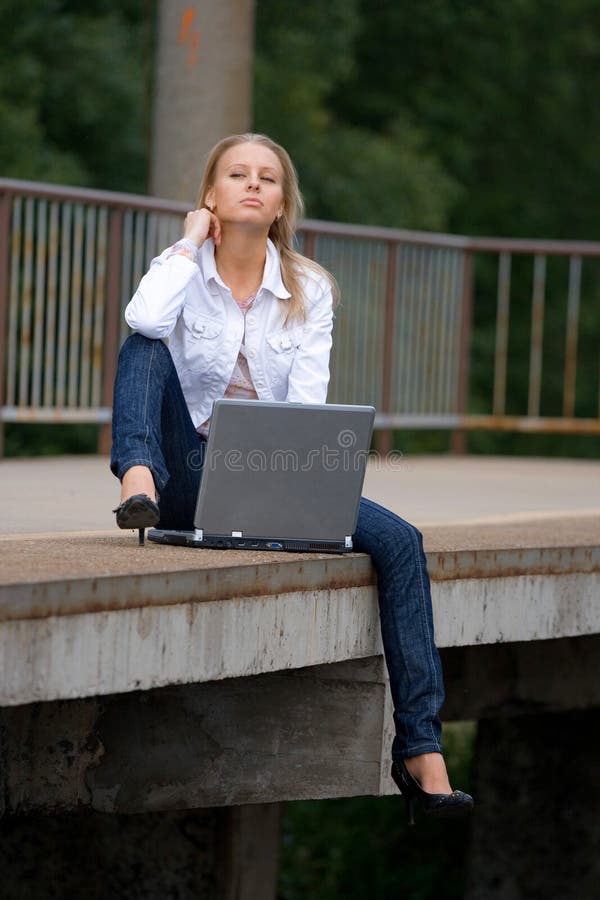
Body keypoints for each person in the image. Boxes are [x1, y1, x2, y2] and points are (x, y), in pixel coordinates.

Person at [111, 133, 474, 825]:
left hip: (277, 475)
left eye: (268, 178)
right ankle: (135, 482)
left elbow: (308, 414)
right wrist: (189, 242)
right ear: (211, 195)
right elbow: (144, 320)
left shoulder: (308, 288)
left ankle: (422, 757)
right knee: (144, 343)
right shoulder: (179, 269)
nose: (253, 185)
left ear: (282, 200)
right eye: (237, 175)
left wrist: (302, 483)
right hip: (181, 477)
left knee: (401, 541)